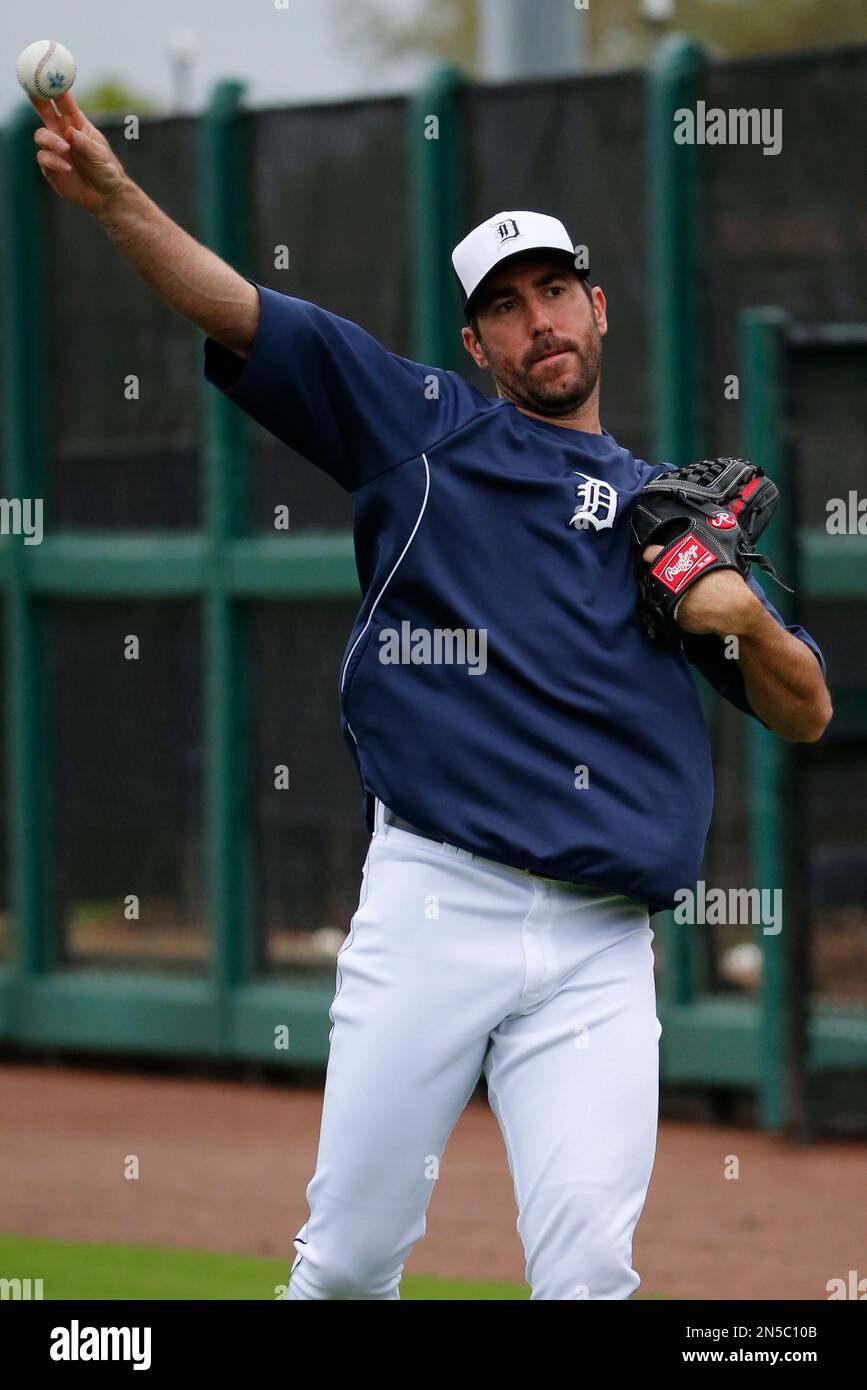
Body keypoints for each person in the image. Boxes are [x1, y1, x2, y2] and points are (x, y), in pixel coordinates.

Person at [32, 96, 832, 1300]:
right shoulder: (424, 432)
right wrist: (114, 197)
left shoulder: (670, 518)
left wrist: (741, 612)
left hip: (601, 942)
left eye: (554, 289)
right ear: (477, 345)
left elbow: (809, 710)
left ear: (597, 307)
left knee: (589, 1276)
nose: (537, 320)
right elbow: (240, 306)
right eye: (503, 306)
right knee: (350, 1266)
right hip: (436, 902)